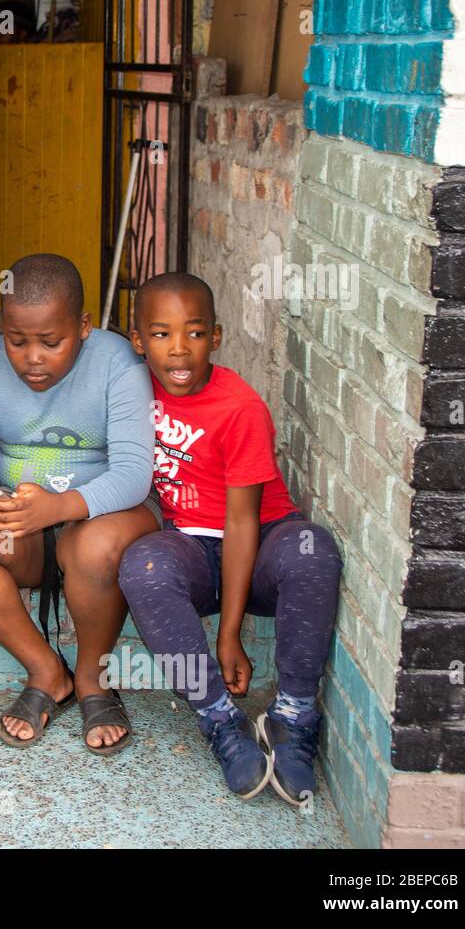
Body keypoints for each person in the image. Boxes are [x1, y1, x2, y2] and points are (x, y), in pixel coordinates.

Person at [119, 272, 342, 803]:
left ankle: (293, 714)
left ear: (216, 337)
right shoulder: (127, 388)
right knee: (144, 566)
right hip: (189, 546)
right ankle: (219, 719)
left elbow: (241, 522)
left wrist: (229, 633)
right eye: (160, 334)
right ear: (137, 340)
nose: (178, 350)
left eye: (194, 334)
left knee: (313, 549)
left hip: (257, 541)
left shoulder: (239, 407)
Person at [0, 253, 157, 755]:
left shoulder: (118, 364)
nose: (33, 357)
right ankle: (47, 672)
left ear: (83, 326)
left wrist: (57, 507)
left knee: (93, 545)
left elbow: (133, 475)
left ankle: (93, 678)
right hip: (26, 531)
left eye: (51, 342)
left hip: (102, 521)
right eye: (17, 340)